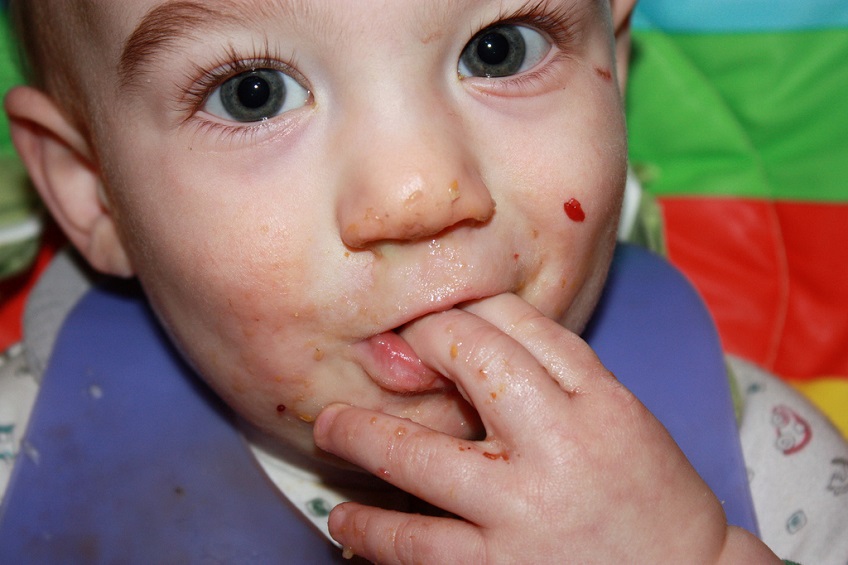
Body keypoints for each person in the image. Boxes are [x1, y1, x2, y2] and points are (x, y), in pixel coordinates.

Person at [0, 0, 844, 562]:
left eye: (497, 48)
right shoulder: (17, 456)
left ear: (613, 65)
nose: (417, 194)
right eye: (252, 96)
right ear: (92, 186)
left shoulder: (762, 463)